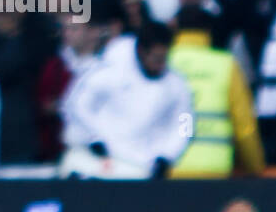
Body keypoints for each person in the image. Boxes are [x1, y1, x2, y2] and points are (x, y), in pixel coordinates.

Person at [60, 21, 192, 178]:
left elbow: (185, 123)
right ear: (142, 51)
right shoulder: (110, 70)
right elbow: (77, 104)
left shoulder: (176, 85)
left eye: (164, 58)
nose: (161, 64)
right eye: (157, 58)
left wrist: (168, 156)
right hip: (99, 161)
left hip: (140, 168)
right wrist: (92, 137)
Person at [167, 6, 265, 177]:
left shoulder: (164, 63)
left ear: (174, 27)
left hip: (169, 169)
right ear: (208, 31)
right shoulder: (226, 64)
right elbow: (244, 127)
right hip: (214, 170)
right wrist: (255, 167)